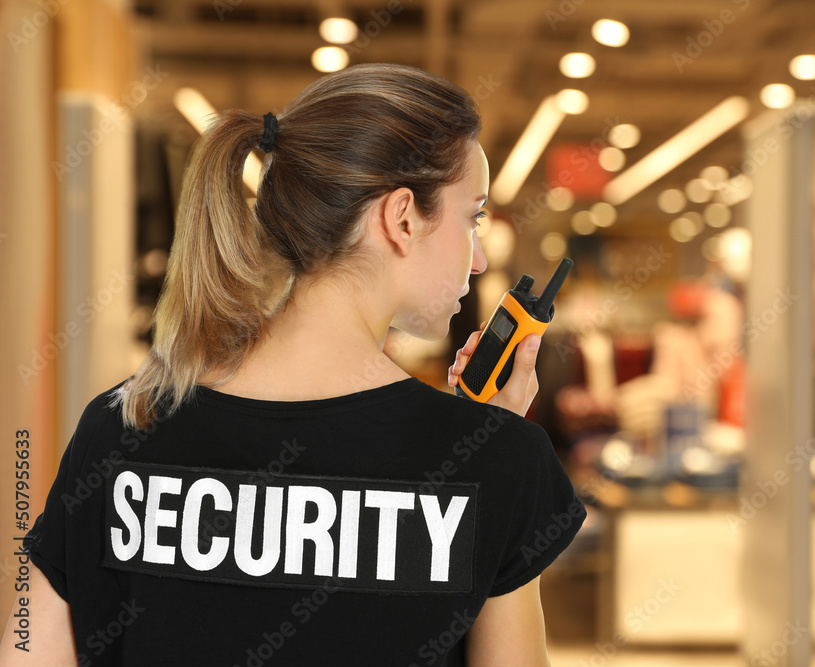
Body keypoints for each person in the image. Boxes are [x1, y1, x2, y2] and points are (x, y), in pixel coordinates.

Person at [0, 62, 586, 666]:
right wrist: (493, 458)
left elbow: (26, 650)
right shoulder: (499, 464)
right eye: (474, 217)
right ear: (403, 217)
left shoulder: (118, 426)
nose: (481, 259)